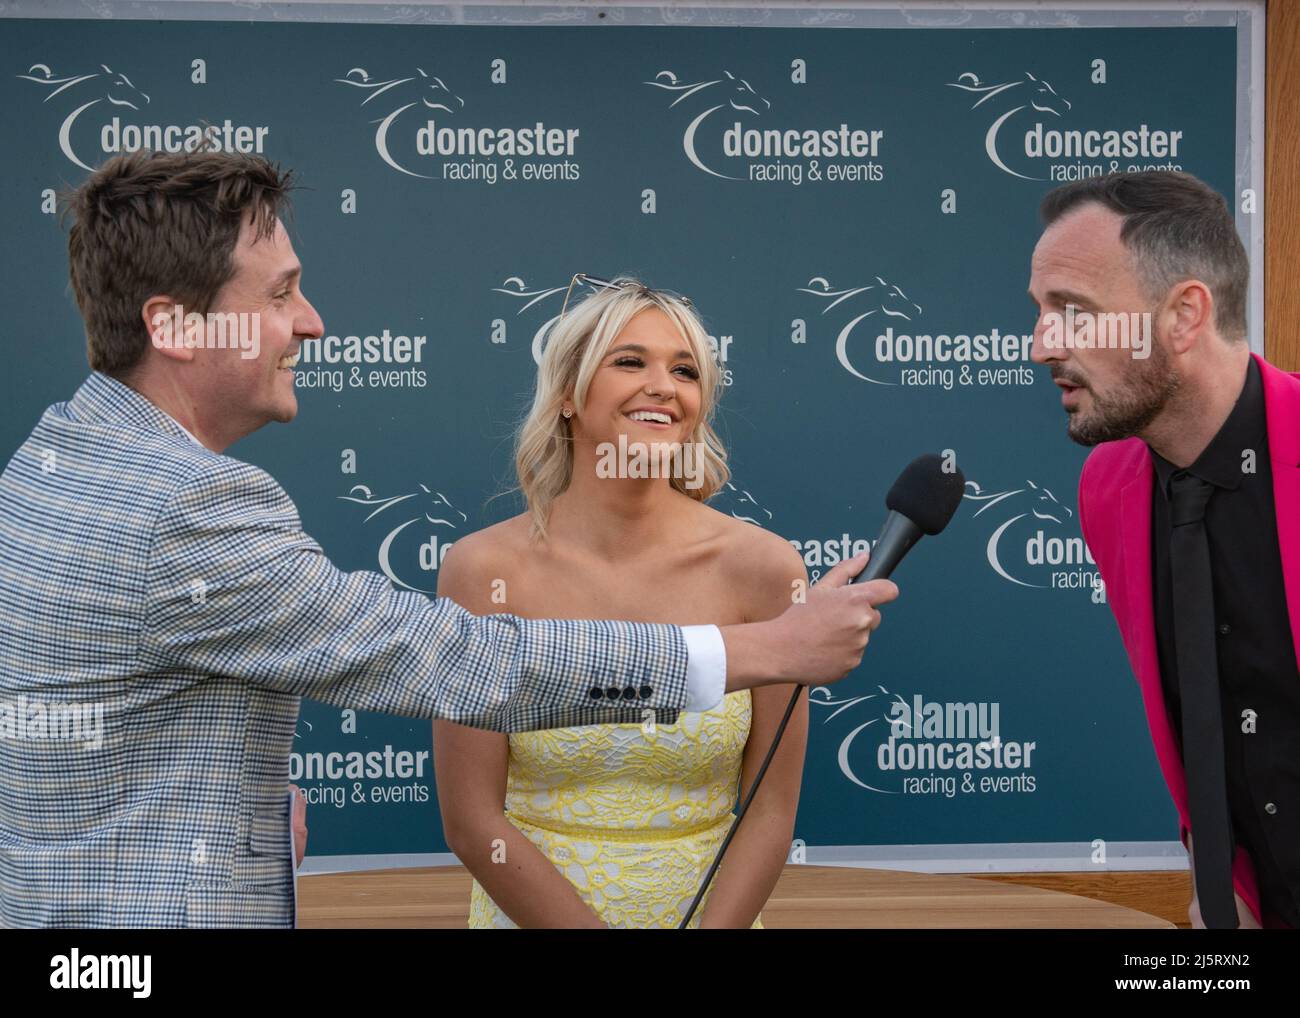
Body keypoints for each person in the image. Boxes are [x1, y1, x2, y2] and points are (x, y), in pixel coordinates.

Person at [0, 151, 897, 928]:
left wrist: (238, 811)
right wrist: (763, 648)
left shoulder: (54, 461)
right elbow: (471, 666)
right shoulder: (191, 509)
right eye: (281, 294)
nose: (312, 322)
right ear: (174, 324)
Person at [434, 277, 809, 928]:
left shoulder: (766, 571)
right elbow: (473, 823)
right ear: (567, 394)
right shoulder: (482, 571)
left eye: (685, 370)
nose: (663, 385)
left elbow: (772, 813)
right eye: (630, 361)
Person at [1028, 170, 1299, 929]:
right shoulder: (1108, 487)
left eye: (1073, 313)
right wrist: (1225, 885)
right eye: (1041, 312)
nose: (1040, 345)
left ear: (1183, 316)